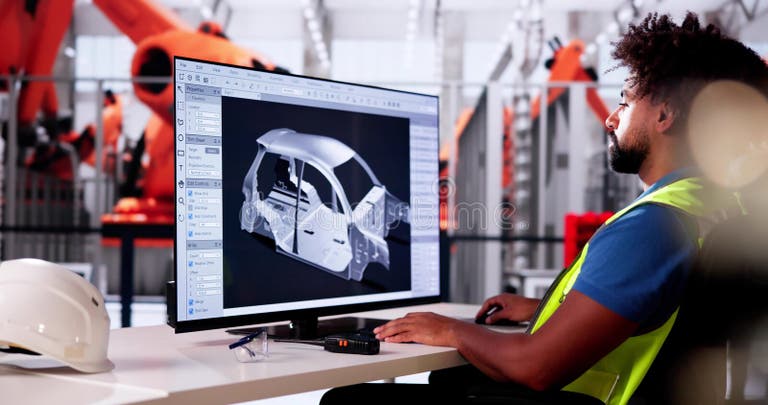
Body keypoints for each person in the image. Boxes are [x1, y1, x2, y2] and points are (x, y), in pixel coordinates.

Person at [320, 11, 768, 405]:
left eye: (625, 102)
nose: (611, 118)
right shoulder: (720, 207)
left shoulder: (652, 225)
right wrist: (546, 310)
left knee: (349, 401)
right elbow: (666, 313)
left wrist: (452, 329)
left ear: (665, 115)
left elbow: (536, 368)